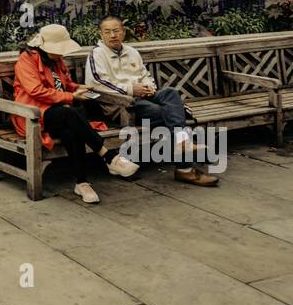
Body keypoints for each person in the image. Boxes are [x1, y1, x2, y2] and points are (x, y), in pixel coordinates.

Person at [12, 23, 139, 205]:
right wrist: (70, 95)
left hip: (58, 113)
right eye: (58, 49)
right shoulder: (27, 60)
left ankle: (82, 183)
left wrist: (78, 88)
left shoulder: (56, 59)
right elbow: (36, 91)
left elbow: (64, 82)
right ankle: (108, 156)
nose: (62, 53)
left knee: (72, 132)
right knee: (71, 114)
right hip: (32, 114)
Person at [85, 16, 217, 187]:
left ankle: (182, 142)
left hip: (143, 98)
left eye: (116, 30)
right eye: (107, 32)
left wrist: (148, 87)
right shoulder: (97, 54)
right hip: (121, 105)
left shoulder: (132, 52)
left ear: (123, 32)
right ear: (101, 34)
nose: (112, 35)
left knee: (170, 93)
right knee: (168, 114)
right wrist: (132, 90)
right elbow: (96, 84)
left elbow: (145, 76)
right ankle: (185, 168)